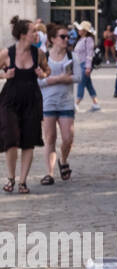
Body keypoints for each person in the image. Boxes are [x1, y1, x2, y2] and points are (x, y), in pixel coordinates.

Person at [0, 17, 48, 194]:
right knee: (11, 139)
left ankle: (23, 182)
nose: (37, 34)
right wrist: (5, 76)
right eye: (33, 31)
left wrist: (42, 73)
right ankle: (11, 178)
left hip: (32, 100)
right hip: (9, 101)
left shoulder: (38, 54)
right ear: (22, 35)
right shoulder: (7, 53)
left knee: (29, 142)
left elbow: (47, 70)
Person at [38, 25, 80, 185]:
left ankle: (63, 159)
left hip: (66, 102)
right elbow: (38, 81)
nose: (66, 39)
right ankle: (49, 173)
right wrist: (57, 79)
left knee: (68, 137)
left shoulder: (72, 56)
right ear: (52, 39)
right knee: (50, 138)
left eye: (67, 36)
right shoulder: (44, 57)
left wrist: (63, 78)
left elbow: (79, 77)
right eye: (62, 36)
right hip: (48, 102)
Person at [73, 22, 101, 112]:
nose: (78, 30)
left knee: (81, 83)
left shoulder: (88, 39)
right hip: (81, 64)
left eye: (80, 29)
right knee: (88, 84)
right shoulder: (82, 39)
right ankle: (96, 103)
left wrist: (88, 67)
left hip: (85, 64)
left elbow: (89, 54)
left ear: (85, 31)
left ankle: (76, 103)